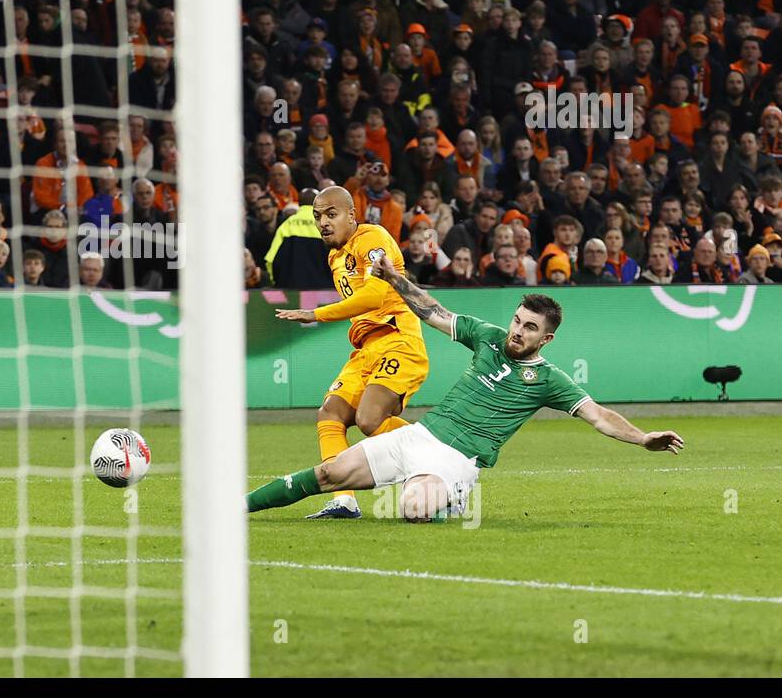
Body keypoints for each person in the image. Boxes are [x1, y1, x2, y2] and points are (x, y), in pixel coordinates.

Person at [249, 262, 684, 521]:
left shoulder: (549, 379)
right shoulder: (489, 337)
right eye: (517, 320)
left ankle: (455, 493)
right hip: (419, 435)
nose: (518, 330)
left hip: (456, 458)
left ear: (546, 340)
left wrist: (643, 437)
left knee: (414, 510)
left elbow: (598, 415)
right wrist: (394, 279)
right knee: (328, 474)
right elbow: (433, 312)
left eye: (529, 327)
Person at [273, 186, 430, 520]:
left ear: (351, 215)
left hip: (397, 339)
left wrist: (316, 313)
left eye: (331, 214)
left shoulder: (373, 239)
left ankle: (437, 457)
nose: (323, 223)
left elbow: (375, 297)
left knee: (369, 420)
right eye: (317, 216)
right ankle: (343, 499)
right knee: (330, 414)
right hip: (365, 349)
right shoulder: (334, 256)